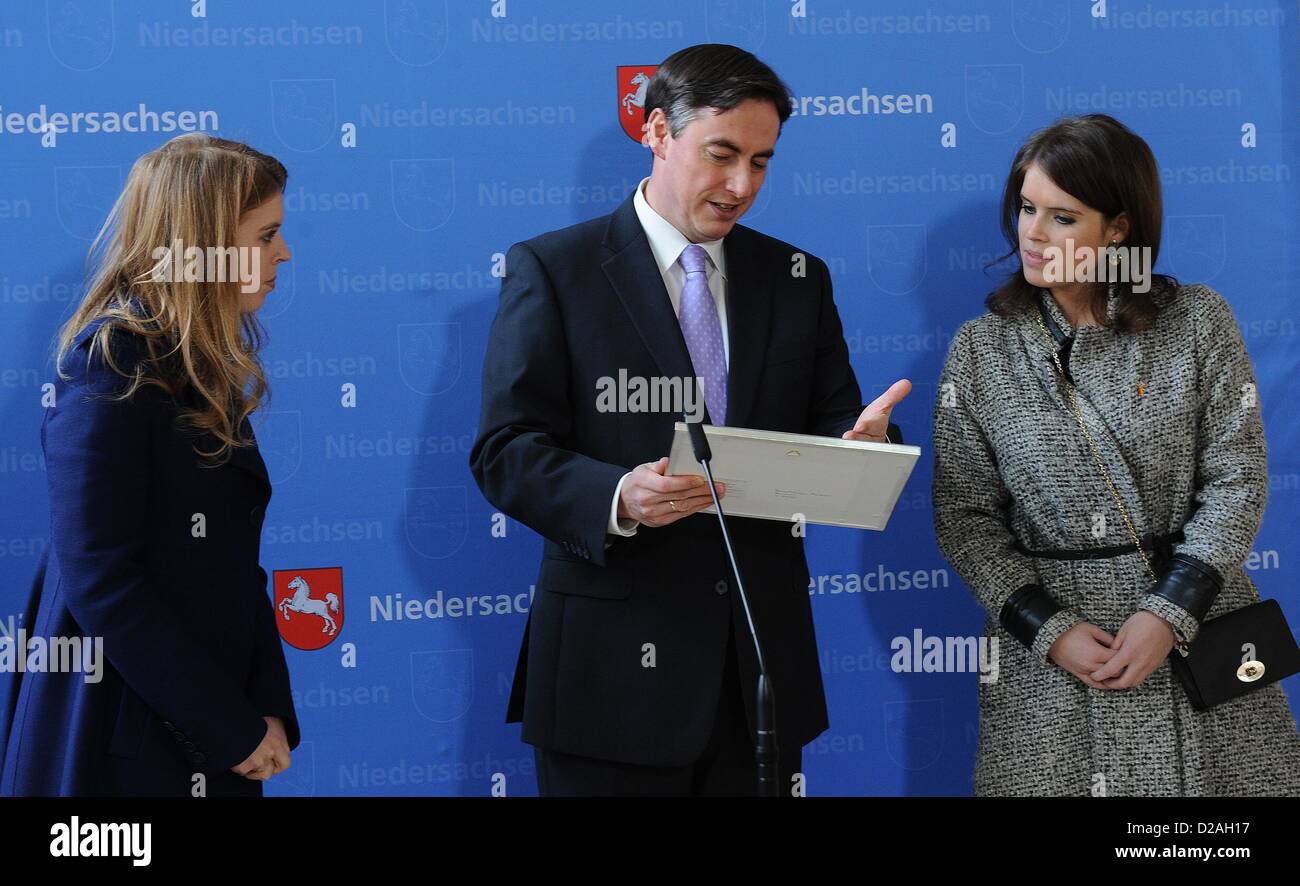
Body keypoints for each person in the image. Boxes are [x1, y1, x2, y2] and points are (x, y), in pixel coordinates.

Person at [471, 43, 910, 796]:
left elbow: (836, 422)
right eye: (722, 154)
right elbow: (505, 450)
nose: (742, 185)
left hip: (758, 679)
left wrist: (863, 447)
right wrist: (617, 497)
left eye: (763, 162)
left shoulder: (797, 278)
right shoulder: (554, 271)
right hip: (607, 684)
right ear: (656, 133)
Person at [932, 113, 1300, 796]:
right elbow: (965, 517)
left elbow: (1238, 480)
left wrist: (1168, 611)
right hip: (1048, 669)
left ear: (1119, 229)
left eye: (1063, 217)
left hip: (1198, 636)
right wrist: (1048, 627)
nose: (1033, 235)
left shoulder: (1196, 321)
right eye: (1026, 208)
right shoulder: (983, 350)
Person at [0, 134, 301, 796]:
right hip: (120, 737)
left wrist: (264, 707)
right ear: (208, 241)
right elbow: (101, 579)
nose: (283, 254)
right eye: (265, 235)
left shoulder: (196, 365)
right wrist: (230, 725)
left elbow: (231, 566)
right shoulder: (112, 364)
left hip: (205, 725)